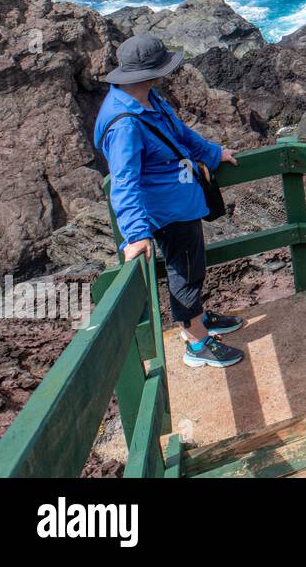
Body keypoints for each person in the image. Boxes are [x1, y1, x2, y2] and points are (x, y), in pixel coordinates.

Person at [94, 34, 245, 368]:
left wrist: (214, 153)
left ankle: (198, 319)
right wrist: (135, 234)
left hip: (180, 200)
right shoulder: (125, 124)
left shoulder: (147, 97)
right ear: (150, 72)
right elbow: (123, 181)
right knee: (186, 273)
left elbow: (179, 134)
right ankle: (196, 343)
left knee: (193, 267)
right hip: (167, 212)